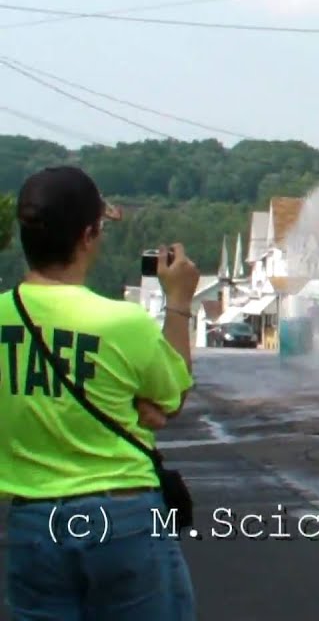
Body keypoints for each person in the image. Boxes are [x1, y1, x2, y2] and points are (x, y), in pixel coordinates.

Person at [0, 166, 200, 620]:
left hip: (32, 520)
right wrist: (180, 302)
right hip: (123, 513)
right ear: (89, 235)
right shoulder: (120, 322)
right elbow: (172, 398)